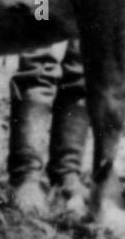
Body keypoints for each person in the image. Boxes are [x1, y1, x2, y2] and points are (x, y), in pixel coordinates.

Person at [8, 42, 89, 215]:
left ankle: (67, 174)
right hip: (42, 12)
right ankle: (26, 176)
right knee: (36, 65)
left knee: (82, 68)